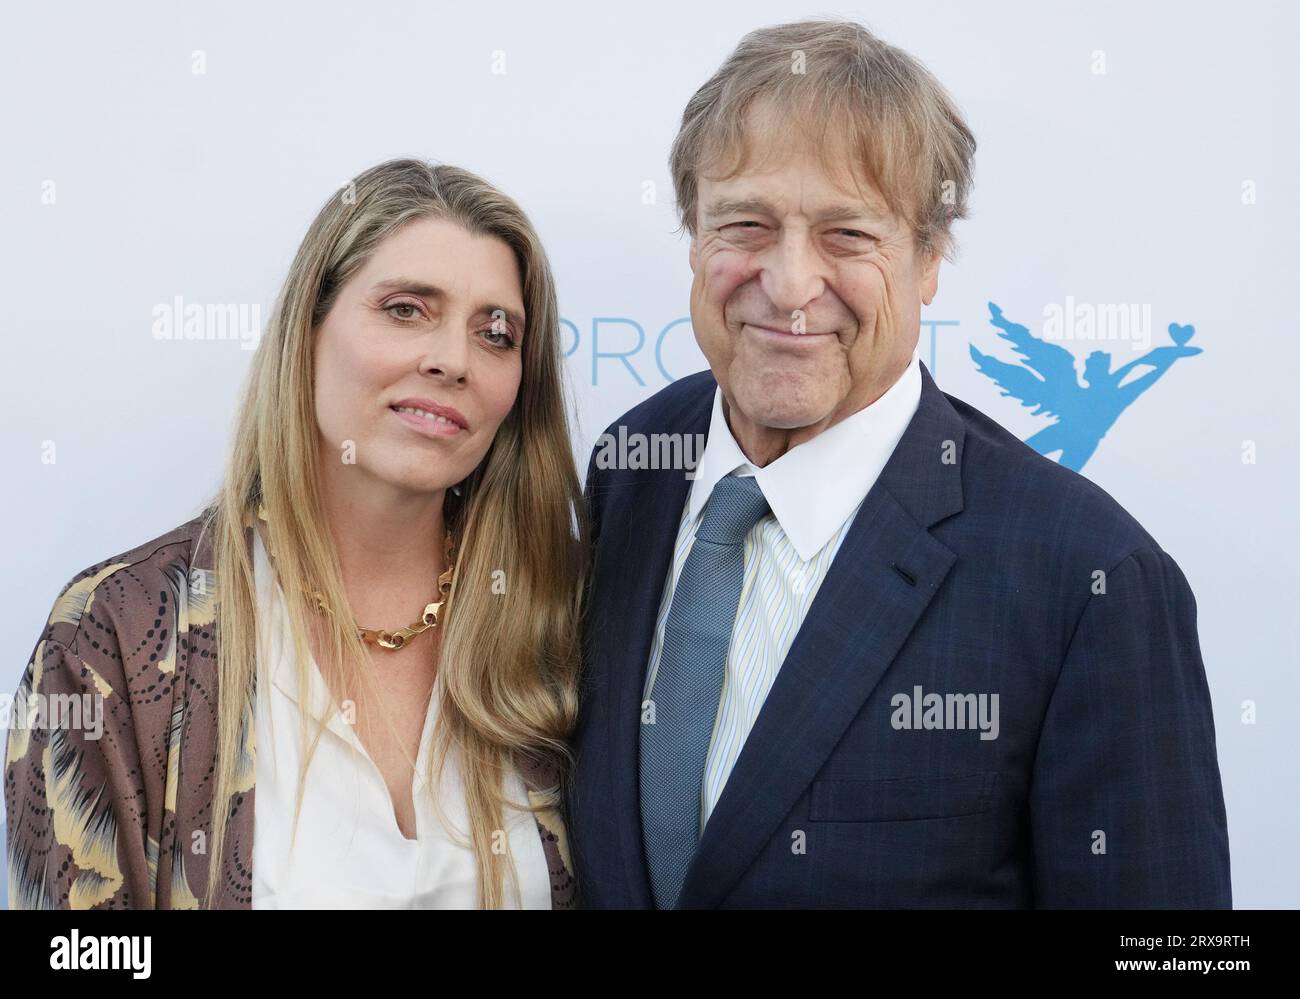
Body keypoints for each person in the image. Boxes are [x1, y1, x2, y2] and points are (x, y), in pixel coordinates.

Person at [568, 18, 1231, 908]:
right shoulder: (631, 468)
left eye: (847, 235)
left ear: (929, 260)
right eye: (747, 223)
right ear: (693, 234)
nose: (792, 283)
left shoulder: (1089, 578)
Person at [6, 159, 585, 909]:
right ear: (308, 331)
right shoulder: (116, 632)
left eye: (496, 332)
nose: (452, 359)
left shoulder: (562, 620)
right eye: (407, 309)